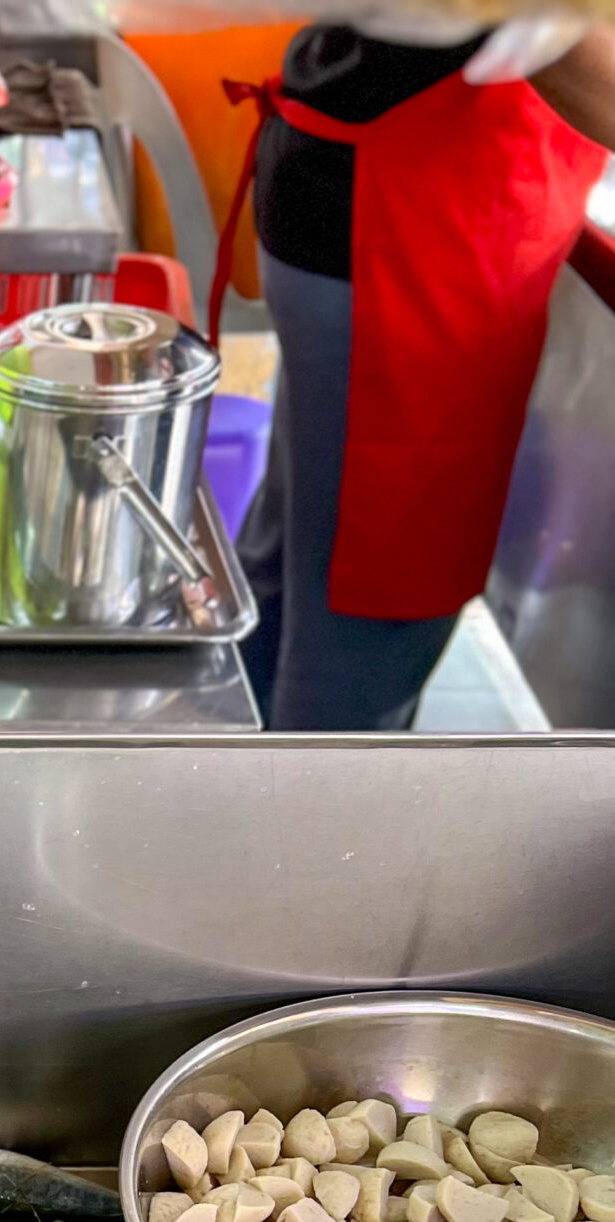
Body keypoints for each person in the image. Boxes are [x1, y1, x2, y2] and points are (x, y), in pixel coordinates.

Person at [211, 17, 615, 730]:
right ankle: (305, 836)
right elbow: (551, 23)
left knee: (293, 576)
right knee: (365, 631)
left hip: (387, 200)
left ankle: (215, 805)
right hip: (411, 233)